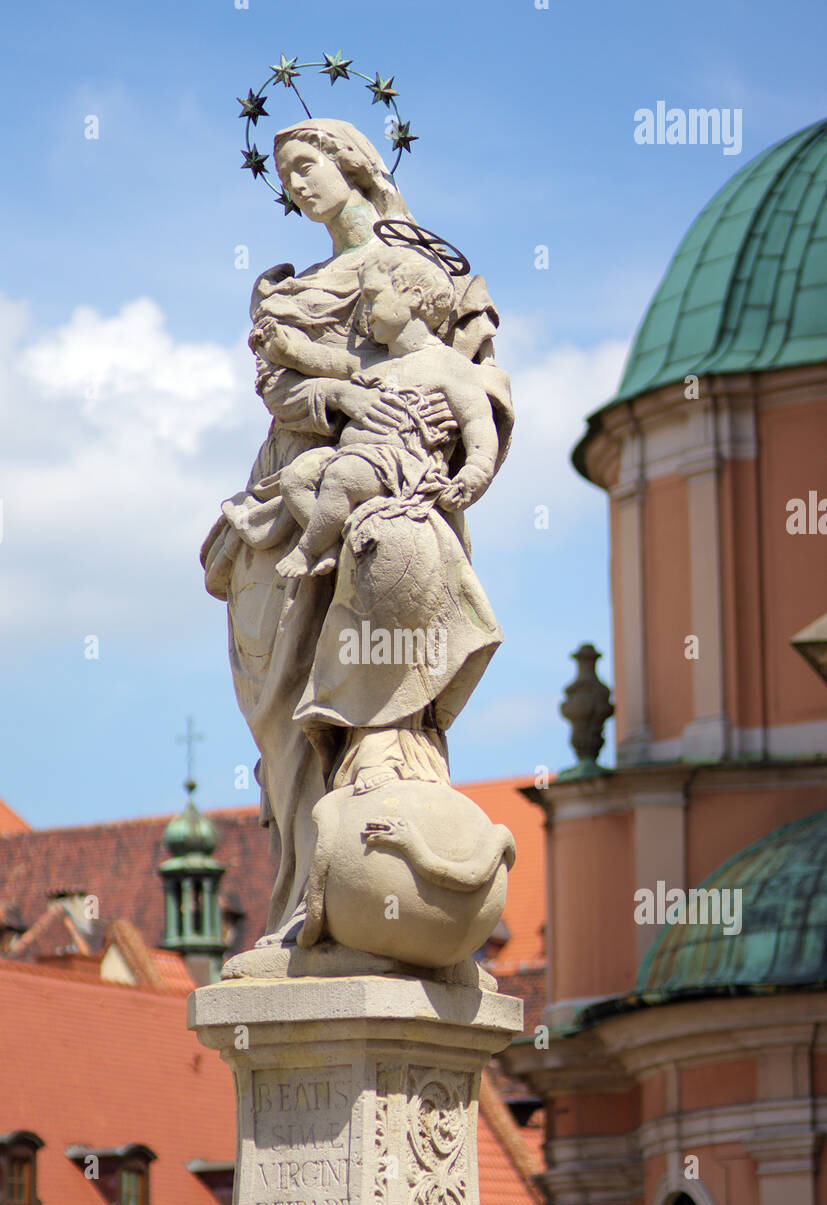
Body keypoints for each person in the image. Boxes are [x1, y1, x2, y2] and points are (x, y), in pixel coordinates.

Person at [201, 118, 512, 945]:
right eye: (286, 173)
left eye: (309, 165)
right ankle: (303, 884)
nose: (298, 184)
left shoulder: (421, 269)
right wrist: (332, 399)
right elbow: (278, 388)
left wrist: (437, 466)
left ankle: (345, 891)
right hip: (287, 491)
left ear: (353, 165)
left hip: (386, 494)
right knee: (277, 710)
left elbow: (467, 387)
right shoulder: (286, 291)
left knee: (361, 696)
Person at [262, 243, 500, 580]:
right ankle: (334, 541)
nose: (365, 310)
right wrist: (285, 349)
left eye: (373, 297)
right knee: (295, 478)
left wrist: (474, 473)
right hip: (351, 455)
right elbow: (322, 360)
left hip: (400, 464)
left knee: (342, 477)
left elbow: (477, 423)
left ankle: (308, 550)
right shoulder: (373, 362)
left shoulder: (447, 365)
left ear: (414, 297)